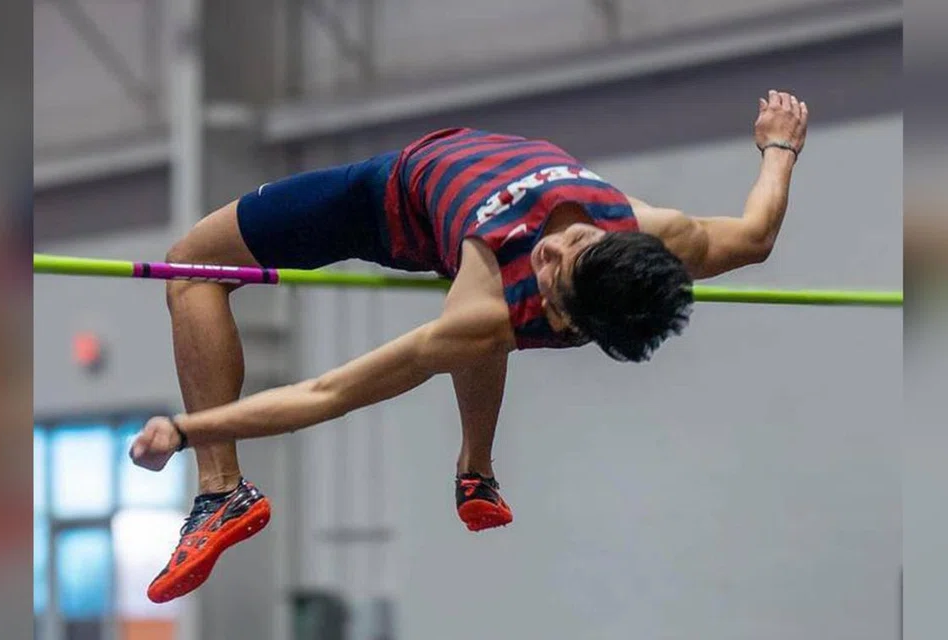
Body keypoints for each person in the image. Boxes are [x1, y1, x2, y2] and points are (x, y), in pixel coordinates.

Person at [132, 90, 808, 603]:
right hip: (471, 240)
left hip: (391, 199)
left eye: (554, 270)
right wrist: (780, 147)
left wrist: (188, 430)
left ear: (561, 316)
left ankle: (221, 492)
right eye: (578, 241)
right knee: (486, 323)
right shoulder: (662, 233)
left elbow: (328, 392)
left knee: (191, 265)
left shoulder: (484, 308)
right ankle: (475, 474)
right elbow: (755, 235)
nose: (554, 243)